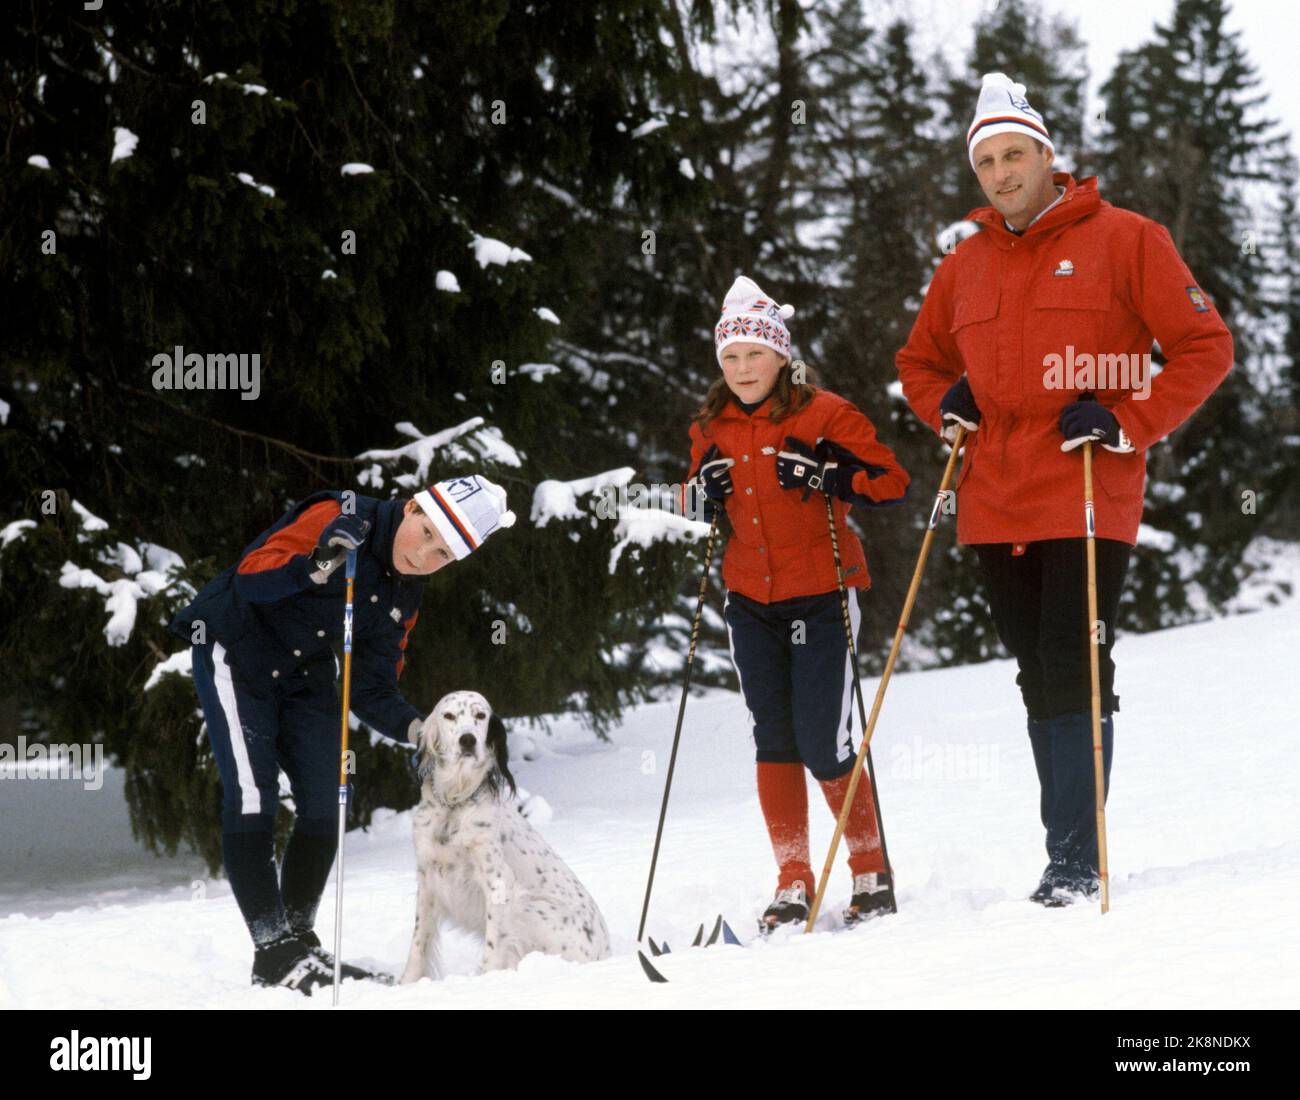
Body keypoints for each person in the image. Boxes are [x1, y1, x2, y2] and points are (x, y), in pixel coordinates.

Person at [896, 72, 1233, 906]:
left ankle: (1075, 863)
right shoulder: (964, 265)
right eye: (986, 163)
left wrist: (1127, 418)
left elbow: (1205, 345)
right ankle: (1068, 853)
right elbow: (918, 361)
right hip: (991, 498)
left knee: (1075, 660)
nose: (1001, 174)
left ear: (1048, 156)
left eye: (1014, 155)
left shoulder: (1128, 239)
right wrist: (947, 403)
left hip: (1085, 487)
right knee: (1034, 670)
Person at [169, 475, 515, 992]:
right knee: (252, 794)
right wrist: (315, 565)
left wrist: (422, 730)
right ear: (413, 507)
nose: (423, 556)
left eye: (442, 554)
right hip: (235, 650)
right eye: (426, 534)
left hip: (303, 667)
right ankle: (273, 952)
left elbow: (372, 688)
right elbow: (251, 576)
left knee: (328, 795)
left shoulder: (405, 594)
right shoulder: (342, 514)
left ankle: (299, 940)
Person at [685, 275, 911, 930]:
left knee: (823, 739)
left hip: (822, 596)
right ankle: (792, 880)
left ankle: (870, 870)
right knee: (773, 738)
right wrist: (702, 490)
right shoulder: (710, 426)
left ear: (780, 355)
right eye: (730, 356)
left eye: (754, 354)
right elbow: (691, 502)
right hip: (749, 599)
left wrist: (826, 474)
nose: (741, 368)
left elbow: (891, 482)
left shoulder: (825, 413)